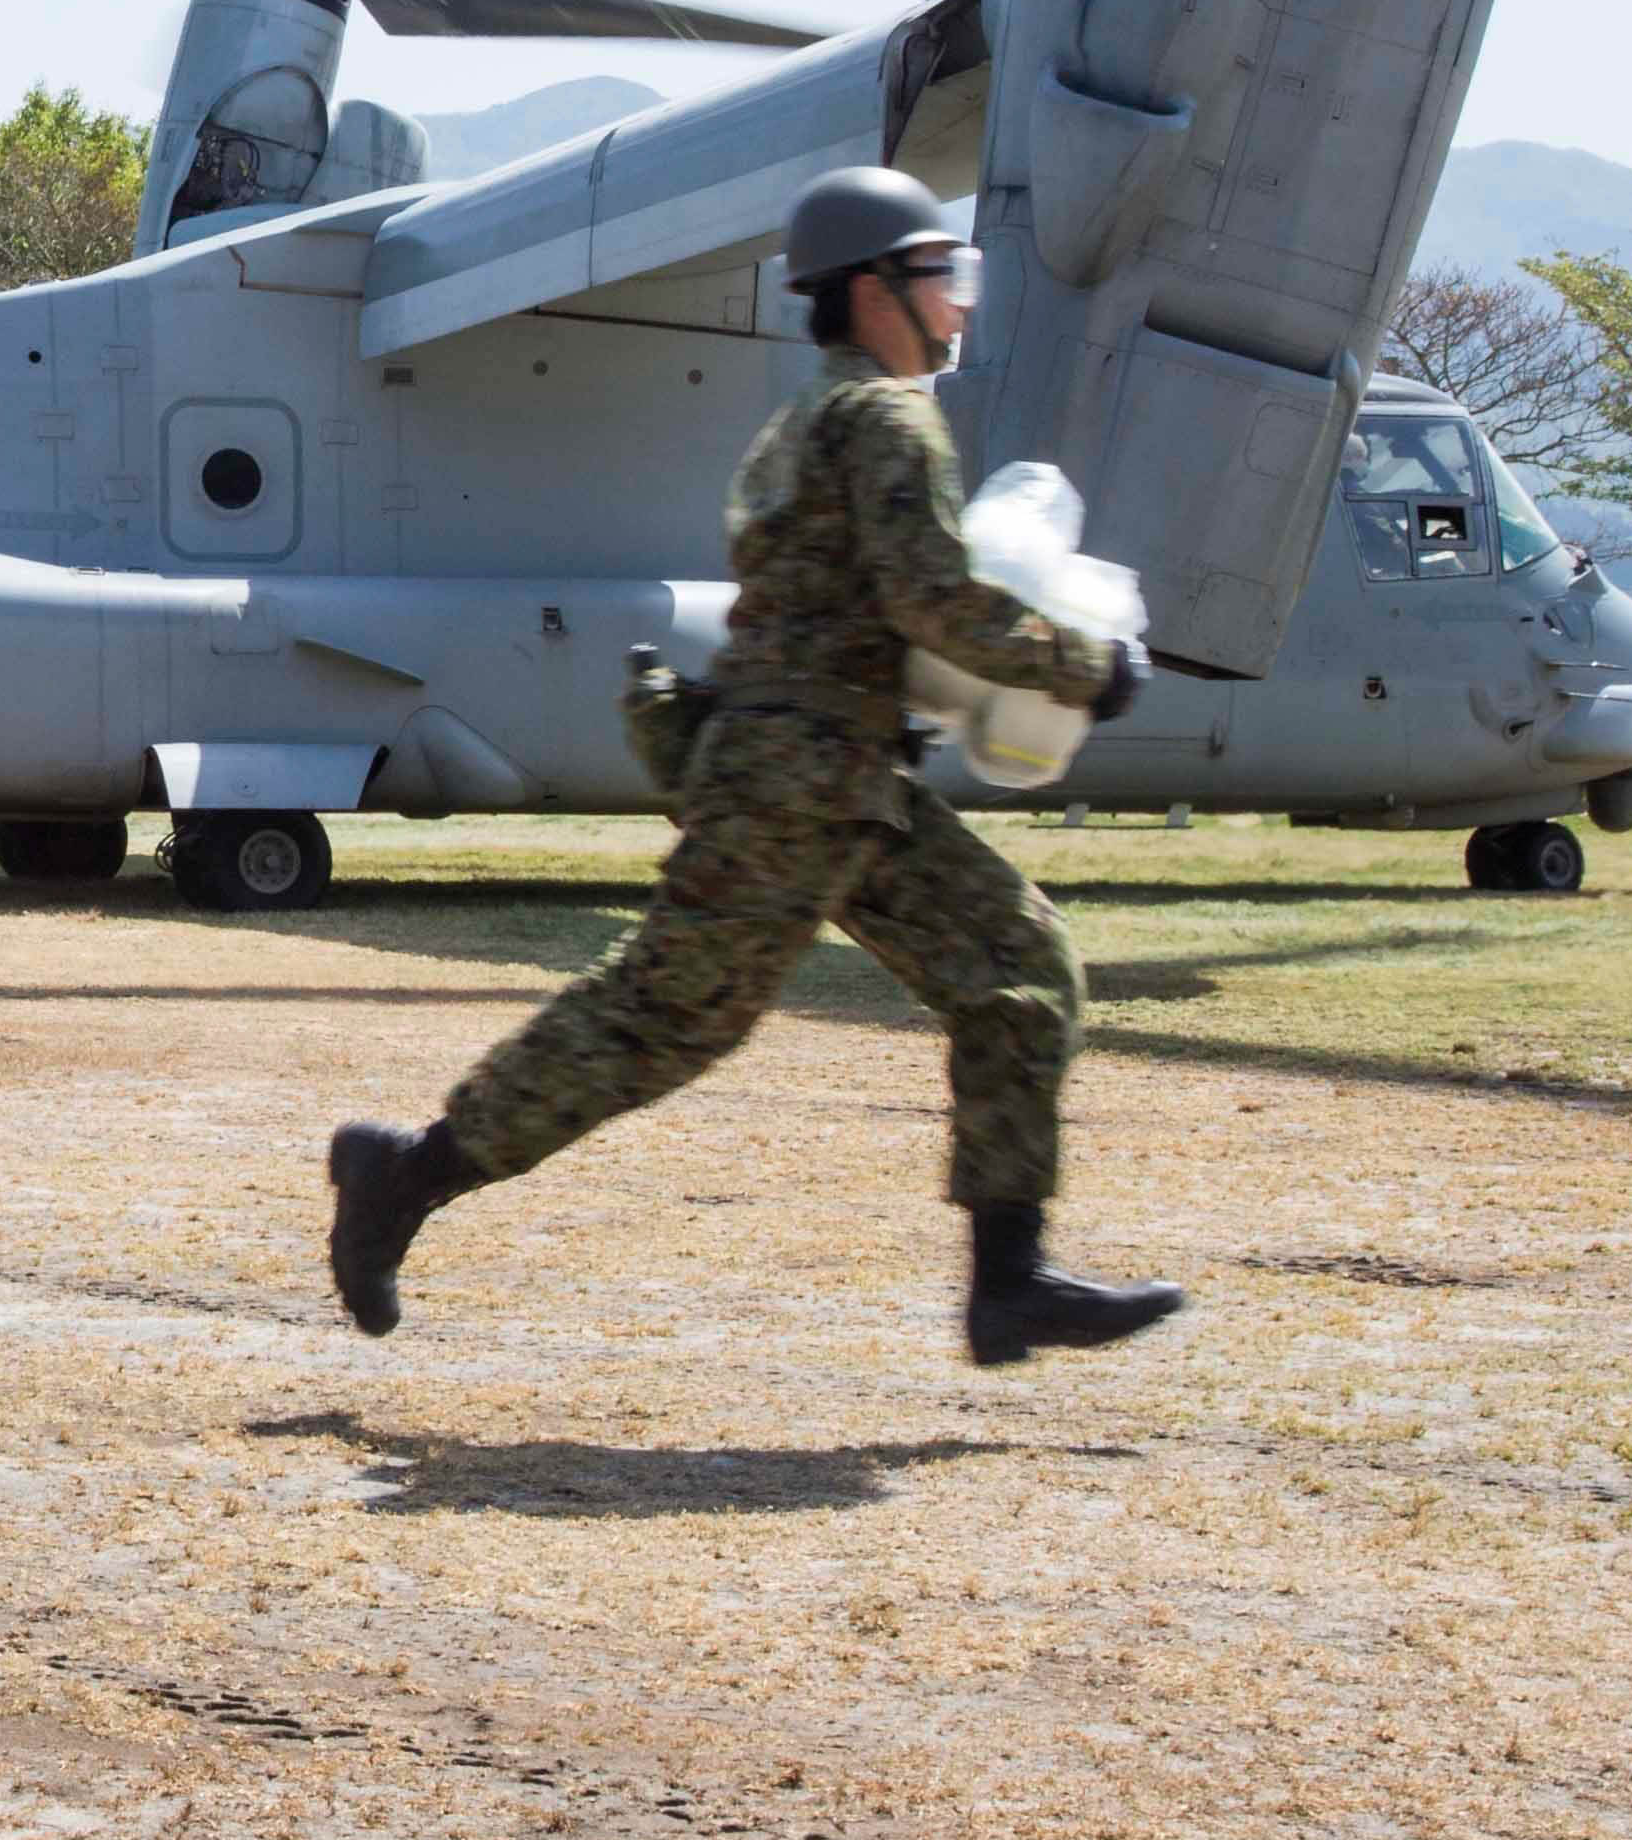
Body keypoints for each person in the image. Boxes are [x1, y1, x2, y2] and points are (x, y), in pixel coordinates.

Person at [323, 167, 1182, 1368]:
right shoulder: (884, 419)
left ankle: (1010, 1281)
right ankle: (401, 1179)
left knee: (1018, 968)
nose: (959, 304)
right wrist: (1087, 664)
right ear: (874, 291)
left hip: (829, 778)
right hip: (795, 784)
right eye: (943, 277)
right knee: (659, 1022)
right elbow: (931, 596)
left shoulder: (804, 422)